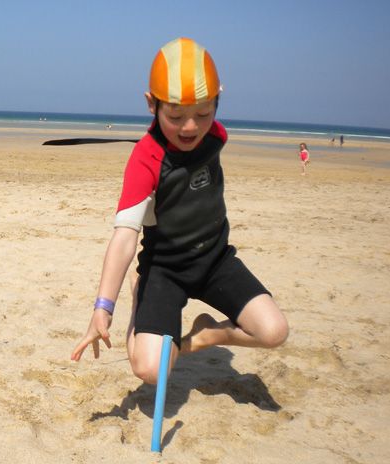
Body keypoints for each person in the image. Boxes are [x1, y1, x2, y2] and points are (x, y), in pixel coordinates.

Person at [70, 38, 288, 387]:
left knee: (274, 332)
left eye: (203, 113)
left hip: (216, 260)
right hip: (165, 270)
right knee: (151, 372)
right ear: (151, 104)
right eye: (175, 115)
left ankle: (206, 335)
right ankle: (139, 291)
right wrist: (102, 308)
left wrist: (206, 338)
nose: (190, 127)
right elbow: (125, 237)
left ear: (219, 101)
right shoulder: (145, 160)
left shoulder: (216, 135)